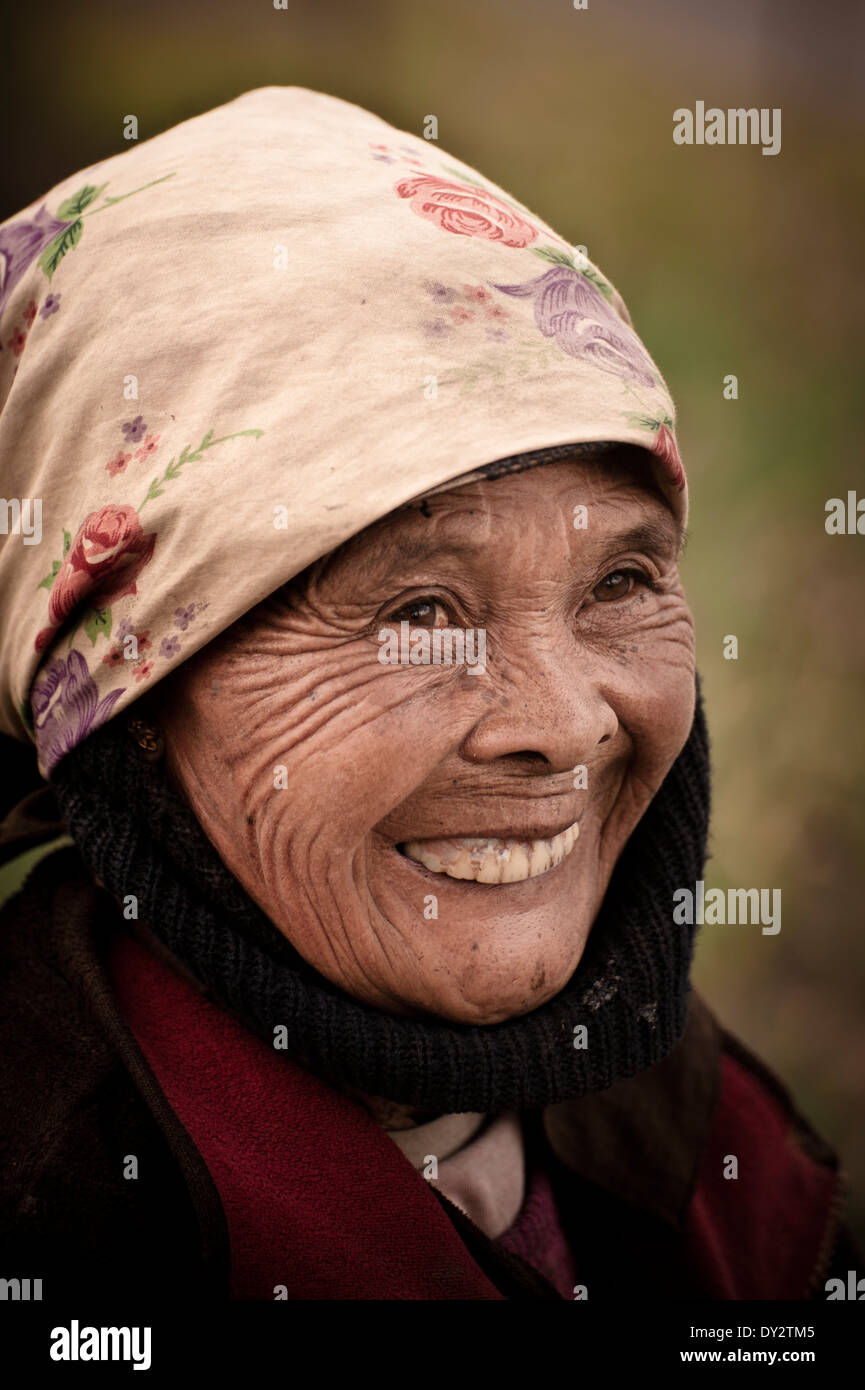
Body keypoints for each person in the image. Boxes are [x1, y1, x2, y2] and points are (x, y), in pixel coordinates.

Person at [0, 86, 858, 1301]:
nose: (562, 725)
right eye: (417, 614)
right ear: (130, 712)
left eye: (619, 579)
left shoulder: (707, 1135)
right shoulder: (63, 1219)